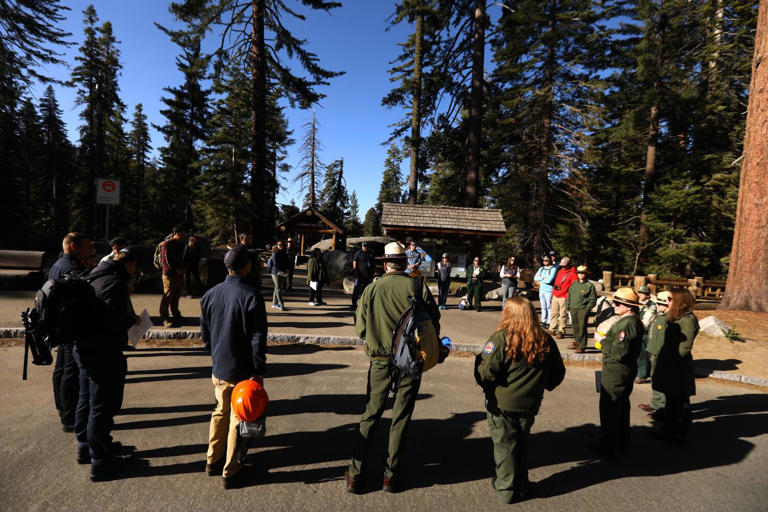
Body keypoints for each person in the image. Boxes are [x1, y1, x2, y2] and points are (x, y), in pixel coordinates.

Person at [345, 242, 440, 494]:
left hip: (379, 361)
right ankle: (391, 476)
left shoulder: (372, 289)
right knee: (401, 416)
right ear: (405, 262)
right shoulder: (418, 286)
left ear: (385, 263)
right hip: (410, 359)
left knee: (371, 415)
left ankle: (356, 475)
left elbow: (361, 330)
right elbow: (434, 320)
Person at [474, 297, 565, 504]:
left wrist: (481, 374)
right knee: (522, 443)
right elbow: (558, 373)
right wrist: (543, 385)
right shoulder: (545, 339)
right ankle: (522, 484)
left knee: (505, 444)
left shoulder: (500, 339)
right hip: (530, 402)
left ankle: (506, 488)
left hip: (502, 402)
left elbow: (487, 373)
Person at [201, 245, 268, 489]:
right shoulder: (251, 296)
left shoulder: (210, 294)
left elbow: (205, 333)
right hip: (243, 370)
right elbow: (257, 338)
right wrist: (258, 370)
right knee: (238, 418)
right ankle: (231, 469)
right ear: (246, 266)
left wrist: (214, 353)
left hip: (219, 365)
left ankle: (212, 459)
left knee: (220, 410)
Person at [74, 247, 140, 481]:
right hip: (103, 352)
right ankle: (100, 461)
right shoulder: (114, 283)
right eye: (134, 268)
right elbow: (112, 321)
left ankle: (85, 447)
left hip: (82, 348)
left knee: (86, 399)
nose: (134, 273)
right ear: (129, 265)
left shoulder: (93, 273)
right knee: (102, 407)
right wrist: (132, 323)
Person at [49, 232, 94, 432]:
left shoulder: (59, 264)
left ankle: (62, 407)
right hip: (70, 326)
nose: (91, 250)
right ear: (74, 247)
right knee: (71, 372)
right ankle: (69, 417)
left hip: (60, 325)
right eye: (87, 246)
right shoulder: (71, 268)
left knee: (61, 369)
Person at [593, 287, 643, 459]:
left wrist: (603, 341)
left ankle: (608, 447)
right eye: (615, 301)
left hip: (616, 371)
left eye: (619, 303)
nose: (615, 305)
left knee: (610, 408)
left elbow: (619, 352)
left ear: (629, 306)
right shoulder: (630, 320)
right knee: (620, 408)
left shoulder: (628, 324)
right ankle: (620, 442)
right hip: (621, 370)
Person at [651, 288, 699, 443]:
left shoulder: (688, 319)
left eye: (670, 299)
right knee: (672, 401)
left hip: (679, 367)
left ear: (679, 301)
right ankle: (668, 430)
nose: (667, 302)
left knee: (681, 402)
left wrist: (670, 361)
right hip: (670, 365)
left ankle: (679, 433)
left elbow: (684, 347)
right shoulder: (676, 317)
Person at [638, 291, 670, 417]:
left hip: (661, 353)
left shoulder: (669, 319)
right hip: (655, 351)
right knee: (656, 378)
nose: (657, 306)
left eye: (660, 304)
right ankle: (656, 403)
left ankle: (661, 408)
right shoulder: (661, 316)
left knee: (661, 380)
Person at [158, 226, 187, 327]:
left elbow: (183, 258)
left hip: (179, 274)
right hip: (169, 275)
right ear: (176, 233)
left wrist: (183, 269)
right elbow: (164, 260)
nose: (185, 234)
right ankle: (164, 317)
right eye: (183, 232)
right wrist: (175, 270)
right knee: (168, 295)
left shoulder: (182, 244)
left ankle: (176, 315)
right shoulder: (166, 244)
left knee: (176, 296)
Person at [566, 266, 597, 353]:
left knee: (582, 327)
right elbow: (569, 296)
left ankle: (582, 345)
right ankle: (576, 342)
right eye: (579, 273)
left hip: (582, 309)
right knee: (575, 327)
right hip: (573, 308)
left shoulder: (589, 285)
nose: (581, 275)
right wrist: (568, 306)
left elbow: (593, 300)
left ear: (586, 274)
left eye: (583, 273)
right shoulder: (574, 284)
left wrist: (587, 309)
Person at [549, 257, 577, 339]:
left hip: (564, 297)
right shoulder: (560, 271)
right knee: (554, 313)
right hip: (555, 295)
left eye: (564, 265)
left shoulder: (573, 273)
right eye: (562, 265)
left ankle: (561, 331)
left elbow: (573, 286)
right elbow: (556, 282)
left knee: (563, 315)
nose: (563, 267)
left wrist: (568, 296)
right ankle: (551, 329)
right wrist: (554, 292)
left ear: (569, 265)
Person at [634, 285, 657, 384]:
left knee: (643, 354)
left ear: (648, 295)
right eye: (638, 292)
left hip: (645, 333)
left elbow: (645, 321)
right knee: (636, 353)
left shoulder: (652, 306)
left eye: (642, 293)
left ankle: (642, 375)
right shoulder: (636, 304)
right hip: (636, 330)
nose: (639, 295)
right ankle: (638, 372)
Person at [351, 241, 376, 310]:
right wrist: (355, 272)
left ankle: (364, 305)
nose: (365, 248)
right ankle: (353, 304)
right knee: (356, 289)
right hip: (358, 276)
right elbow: (354, 262)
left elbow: (373, 263)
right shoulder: (358, 253)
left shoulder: (371, 253)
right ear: (362, 246)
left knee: (366, 290)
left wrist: (373, 272)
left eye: (366, 247)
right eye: (364, 246)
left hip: (367, 276)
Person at [266, 240, 290, 311]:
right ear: (277, 245)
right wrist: (284, 269)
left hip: (283, 272)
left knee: (277, 287)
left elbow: (288, 262)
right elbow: (276, 264)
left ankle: (274, 303)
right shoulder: (275, 253)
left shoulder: (284, 252)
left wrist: (287, 269)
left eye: (282, 244)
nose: (281, 246)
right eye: (280, 245)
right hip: (275, 272)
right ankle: (281, 304)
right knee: (278, 288)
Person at [534, 256, 557, 327]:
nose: (544, 261)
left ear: (550, 261)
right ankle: (543, 320)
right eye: (543, 260)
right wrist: (543, 277)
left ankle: (549, 322)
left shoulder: (553, 269)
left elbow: (549, 280)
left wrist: (541, 279)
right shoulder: (541, 268)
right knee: (543, 306)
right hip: (541, 290)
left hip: (549, 290)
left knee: (549, 307)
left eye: (546, 260)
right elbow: (535, 278)